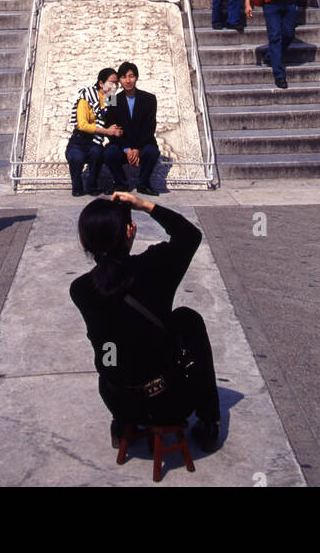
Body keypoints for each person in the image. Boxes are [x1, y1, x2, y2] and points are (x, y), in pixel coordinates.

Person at [70, 193, 220, 452]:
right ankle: (209, 420)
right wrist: (144, 205)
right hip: (169, 402)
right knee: (187, 320)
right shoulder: (156, 266)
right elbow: (189, 235)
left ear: (83, 240)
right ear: (131, 231)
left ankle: (121, 424)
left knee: (111, 346)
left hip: (119, 401)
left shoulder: (80, 289)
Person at [103, 62, 162, 194]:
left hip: (142, 144)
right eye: (124, 77)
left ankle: (143, 184)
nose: (128, 80)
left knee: (152, 152)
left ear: (137, 77)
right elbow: (111, 127)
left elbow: (149, 127)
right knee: (109, 153)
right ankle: (121, 184)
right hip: (122, 146)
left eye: (131, 76)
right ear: (119, 80)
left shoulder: (149, 99)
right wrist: (127, 149)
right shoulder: (112, 99)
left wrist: (137, 149)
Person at [65, 68, 123, 197]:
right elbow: (82, 125)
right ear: (101, 83)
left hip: (95, 140)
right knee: (77, 157)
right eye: (111, 83)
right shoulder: (86, 97)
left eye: (116, 83)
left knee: (98, 153)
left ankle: (92, 186)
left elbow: (110, 119)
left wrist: (115, 129)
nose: (115, 86)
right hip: (79, 140)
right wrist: (107, 131)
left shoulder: (109, 98)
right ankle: (77, 186)